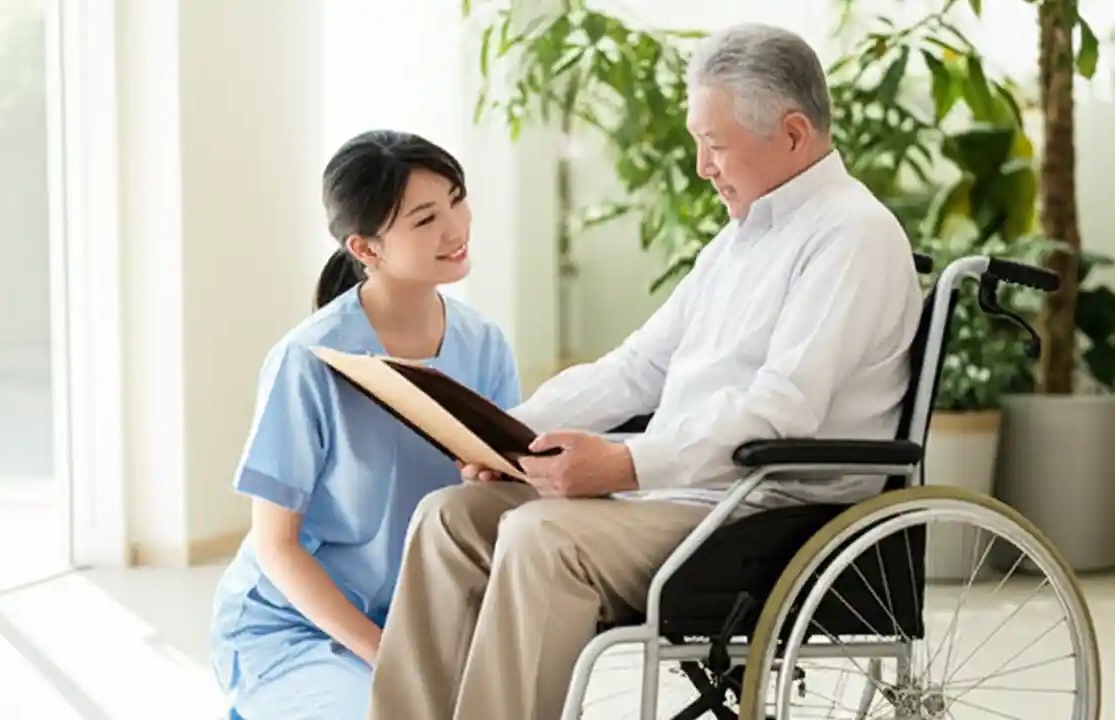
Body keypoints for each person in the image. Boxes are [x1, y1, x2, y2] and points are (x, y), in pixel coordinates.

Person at [367, 23, 925, 720]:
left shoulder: (853, 236)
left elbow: (781, 408)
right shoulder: (740, 240)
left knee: (542, 538)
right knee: (449, 518)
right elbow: (638, 367)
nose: (702, 166)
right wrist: (507, 434)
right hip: (687, 494)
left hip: (769, 511)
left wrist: (625, 465)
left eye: (714, 144)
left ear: (791, 134)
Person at [207, 130, 521, 720]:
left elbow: (502, 503)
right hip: (294, 630)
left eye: (457, 200)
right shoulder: (308, 360)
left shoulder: (485, 346)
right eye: (426, 219)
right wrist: (390, 658)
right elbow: (276, 546)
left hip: (420, 625)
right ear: (366, 248)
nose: (455, 227)